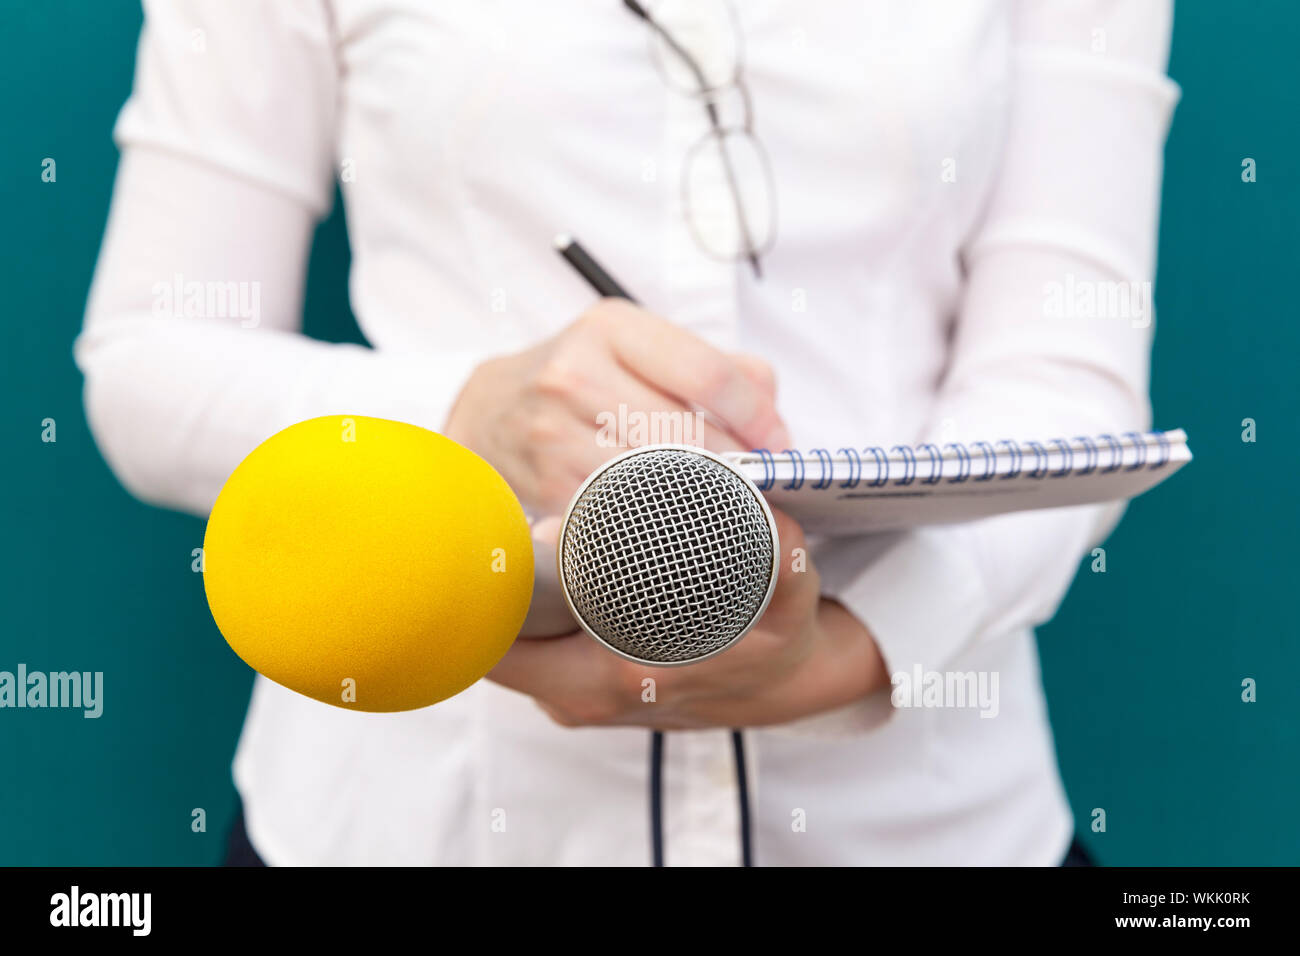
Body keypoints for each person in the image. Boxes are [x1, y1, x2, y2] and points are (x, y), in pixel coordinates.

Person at [76, 0, 1179, 866]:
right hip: (417, 819)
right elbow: (147, 360)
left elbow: (1065, 380)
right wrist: (473, 412)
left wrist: (869, 644)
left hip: (923, 825)